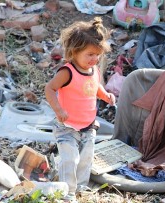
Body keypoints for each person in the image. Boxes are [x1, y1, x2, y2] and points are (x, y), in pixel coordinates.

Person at [45, 17, 115, 202]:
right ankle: (66, 193)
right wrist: (59, 110)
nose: (95, 59)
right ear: (75, 51)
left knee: (85, 160)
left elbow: (95, 87)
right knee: (70, 160)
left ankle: (81, 189)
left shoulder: (94, 70)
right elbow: (49, 89)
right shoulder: (67, 72)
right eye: (90, 54)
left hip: (89, 126)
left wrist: (106, 95)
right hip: (66, 126)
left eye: (97, 55)